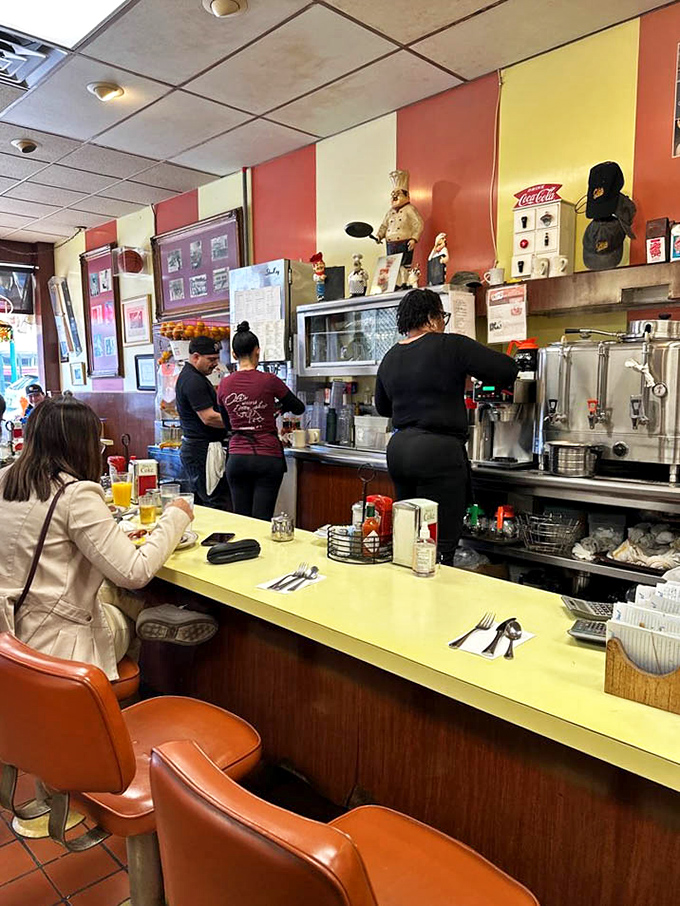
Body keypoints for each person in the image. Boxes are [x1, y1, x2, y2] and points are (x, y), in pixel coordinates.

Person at [0, 396, 202, 681]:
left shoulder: (6, 479)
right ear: (82, 445)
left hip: (10, 638)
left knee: (106, 589)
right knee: (123, 617)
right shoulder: (75, 494)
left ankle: (152, 611)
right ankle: (114, 705)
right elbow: (135, 571)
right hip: (55, 649)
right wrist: (177, 516)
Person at [375, 289, 519, 566]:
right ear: (431, 318)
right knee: (439, 542)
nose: (443, 323)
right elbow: (506, 370)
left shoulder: (391, 356)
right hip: (437, 454)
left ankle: (407, 600)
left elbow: (383, 408)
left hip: (399, 451)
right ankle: (436, 599)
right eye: (442, 317)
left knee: (409, 533)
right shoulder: (450, 345)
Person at [217, 321, 305, 521]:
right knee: (262, 520)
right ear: (257, 351)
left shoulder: (224, 384)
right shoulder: (270, 380)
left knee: (242, 520)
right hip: (268, 457)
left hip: (237, 457)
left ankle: (241, 551)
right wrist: (278, 408)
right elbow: (298, 407)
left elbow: (227, 424)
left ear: (233, 354)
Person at [175, 336, 230, 510]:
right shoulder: (193, 380)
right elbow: (209, 417)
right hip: (202, 450)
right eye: (211, 359)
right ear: (196, 357)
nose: (215, 364)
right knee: (213, 501)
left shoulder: (194, 376)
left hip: (199, 448)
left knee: (203, 501)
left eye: (217, 359)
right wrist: (239, 421)